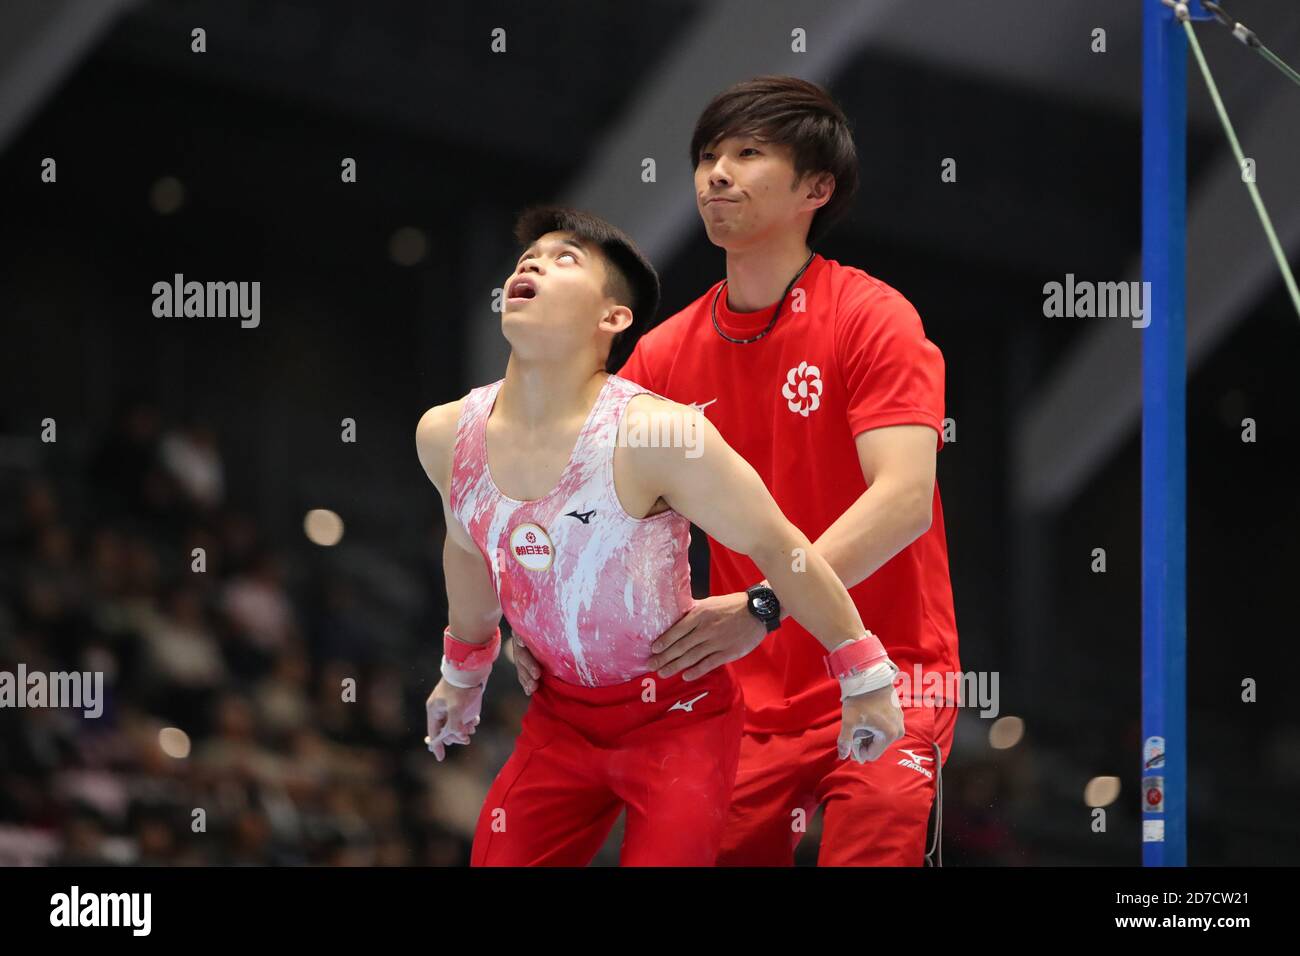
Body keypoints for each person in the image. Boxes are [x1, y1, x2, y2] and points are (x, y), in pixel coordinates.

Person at [514, 76, 961, 867]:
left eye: (748, 153)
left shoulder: (871, 317)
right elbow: (583, 510)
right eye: (708, 155)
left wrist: (761, 604)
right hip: (740, 699)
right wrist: (537, 620)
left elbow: (903, 503)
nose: (716, 172)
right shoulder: (662, 356)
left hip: (887, 672)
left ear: (815, 188)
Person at [415, 205, 904, 866]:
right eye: (529, 257)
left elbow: (776, 544)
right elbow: (468, 548)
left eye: (566, 259)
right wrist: (464, 670)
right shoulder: (446, 434)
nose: (531, 263)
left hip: (680, 720)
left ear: (612, 318)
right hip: (559, 720)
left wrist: (863, 674)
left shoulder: (658, 436)